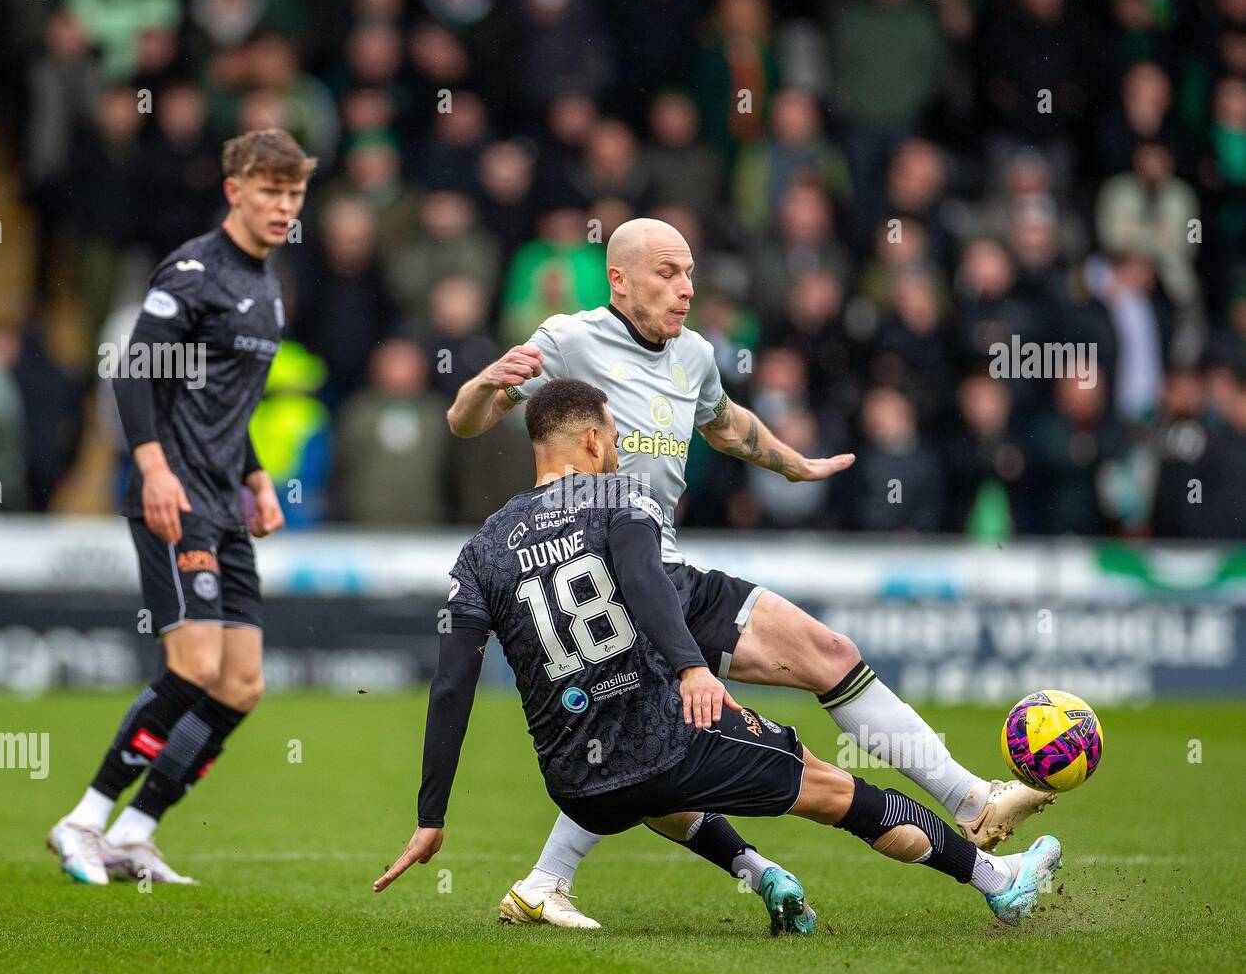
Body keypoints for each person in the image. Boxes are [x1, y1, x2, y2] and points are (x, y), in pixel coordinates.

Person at [446, 217, 1056, 928]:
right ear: (618, 279)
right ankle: (552, 877)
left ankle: (963, 801)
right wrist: (485, 383)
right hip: (610, 580)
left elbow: (725, 422)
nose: (686, 288)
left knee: (807, 667)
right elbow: (468, 420)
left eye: (690, 273)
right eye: (667, 273)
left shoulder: (695, 354)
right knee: (648, 754)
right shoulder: (568, 340)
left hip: (661, 568)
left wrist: (791, 462)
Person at [375, 380, 1063, 930]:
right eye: (612, 435)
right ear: (592, 438)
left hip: (578, 784)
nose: (616, 448)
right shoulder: (620, 497)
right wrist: (692, 665)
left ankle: (756, 873)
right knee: (837, 792)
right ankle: (1001, 883)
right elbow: (648, 585)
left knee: (653, 788)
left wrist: (431, 815)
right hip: (670, 743)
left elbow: (450, 686)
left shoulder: (482, 547)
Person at [47, 129, 315, 885]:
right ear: (234, 190)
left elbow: (227, 402)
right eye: (270, 192)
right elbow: (134, 375)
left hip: (225, 502)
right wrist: (154, 470)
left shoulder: (269, 285)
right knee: (195, 666)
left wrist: (258, 476)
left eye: (293, 195)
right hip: (174, 498)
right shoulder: (195, 270)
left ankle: (135, 831)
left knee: (241, 684)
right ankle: (83, 818)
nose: (282, 207)